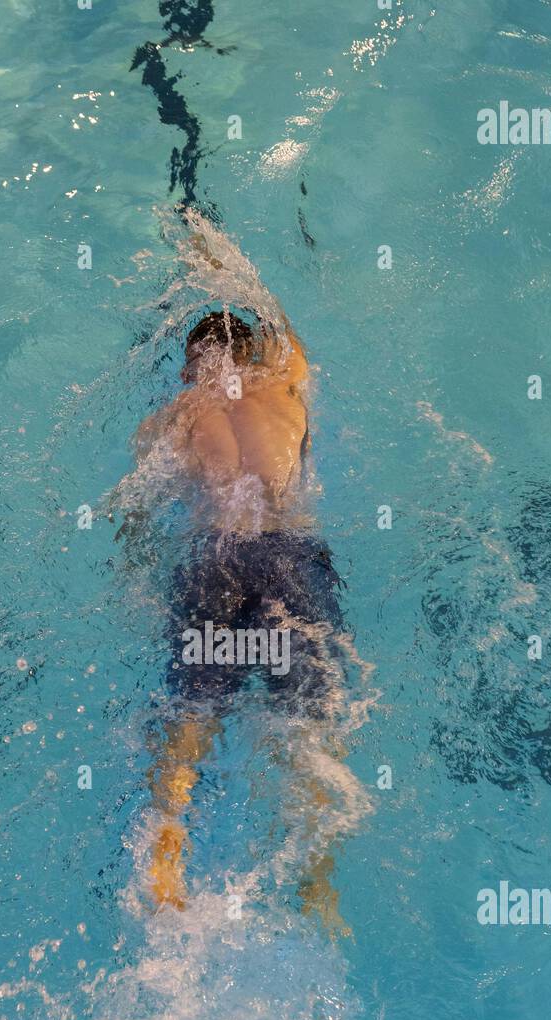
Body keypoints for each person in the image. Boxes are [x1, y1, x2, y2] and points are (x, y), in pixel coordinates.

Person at [122, 308, 351, 931]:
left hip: (212, 562)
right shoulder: (283, 385)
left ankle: (167, 859)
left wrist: (141, 585)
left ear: (192, 367)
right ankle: (316, 881)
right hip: (290, 560)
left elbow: (135, 518)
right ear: (250, 357)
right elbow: (289, 328)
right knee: (308, 727)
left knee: (191, 716)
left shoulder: (170, 421)